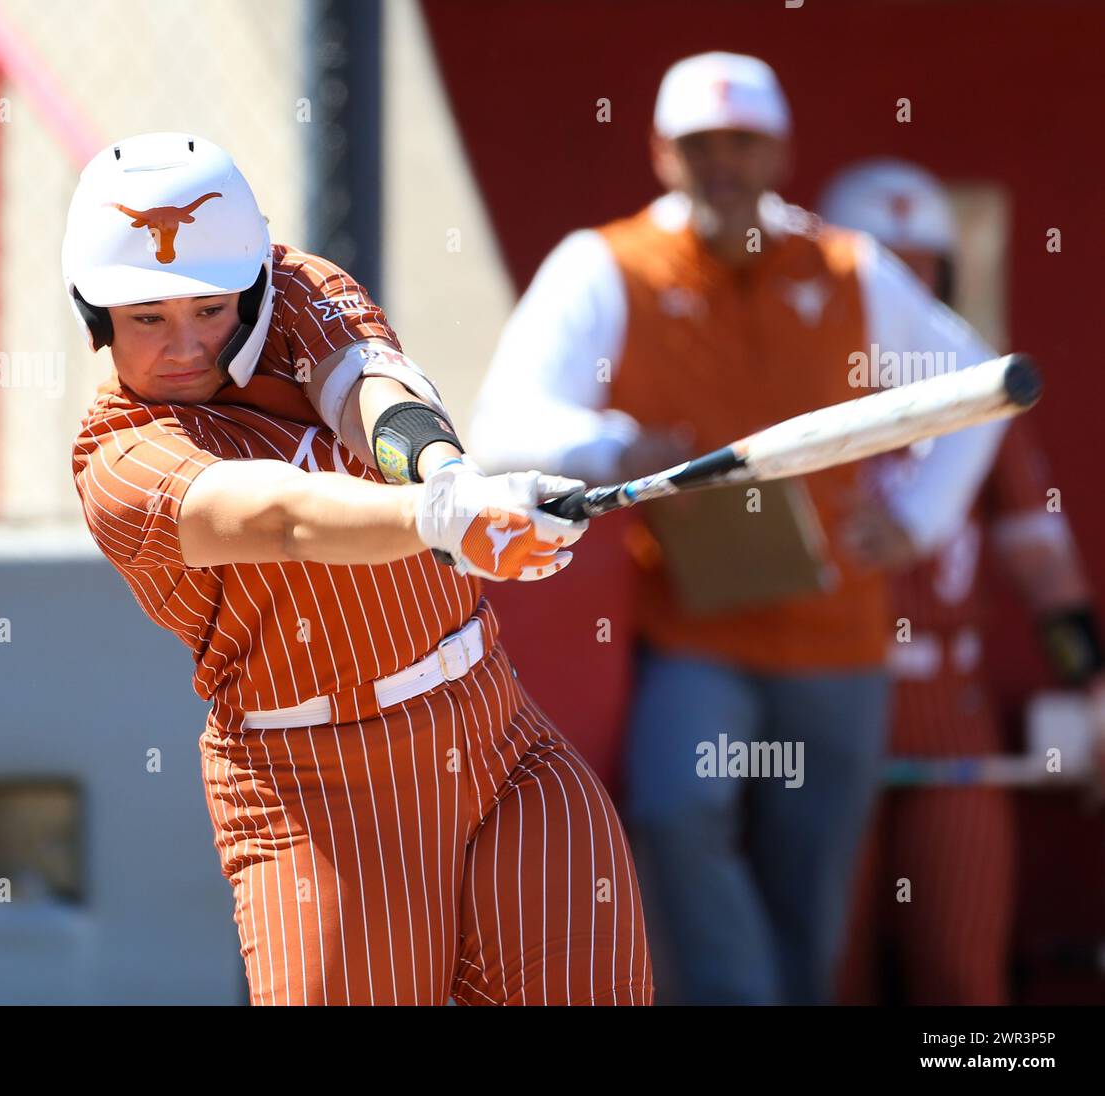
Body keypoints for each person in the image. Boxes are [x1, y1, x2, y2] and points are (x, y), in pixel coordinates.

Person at [64, 132, 652, 1005]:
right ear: (96, 316)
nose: (184, 344)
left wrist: (449, 478)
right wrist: (439, 519)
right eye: (148, 317)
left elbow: (370, 390)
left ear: (254, 287)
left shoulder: (295, 286)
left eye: (212, 310)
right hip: (317, 791)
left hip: (494, 735)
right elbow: (281, 514)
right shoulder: (118, 458)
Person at [468, 53, 1006, 1004]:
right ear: (662, 154)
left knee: (812, 885)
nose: (723, 165)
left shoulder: (845, 266)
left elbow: (974, 383)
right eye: (701, 145)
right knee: (678, 811)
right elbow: (505, 426)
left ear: (780, 152)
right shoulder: (609, 264)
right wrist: (619, 444)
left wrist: (918, 521)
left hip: (838, 633)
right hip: (695, 629)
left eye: (743, 144)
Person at [819, 158, 1105, 1005]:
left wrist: (1091, 683)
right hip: (823, 705)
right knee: (831, 976)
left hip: (953, 720)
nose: (907, 293)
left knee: (960, 974)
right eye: (885, 270)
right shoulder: (794, 399)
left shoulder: (983, 405)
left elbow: (1040, 560)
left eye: (924, 271)